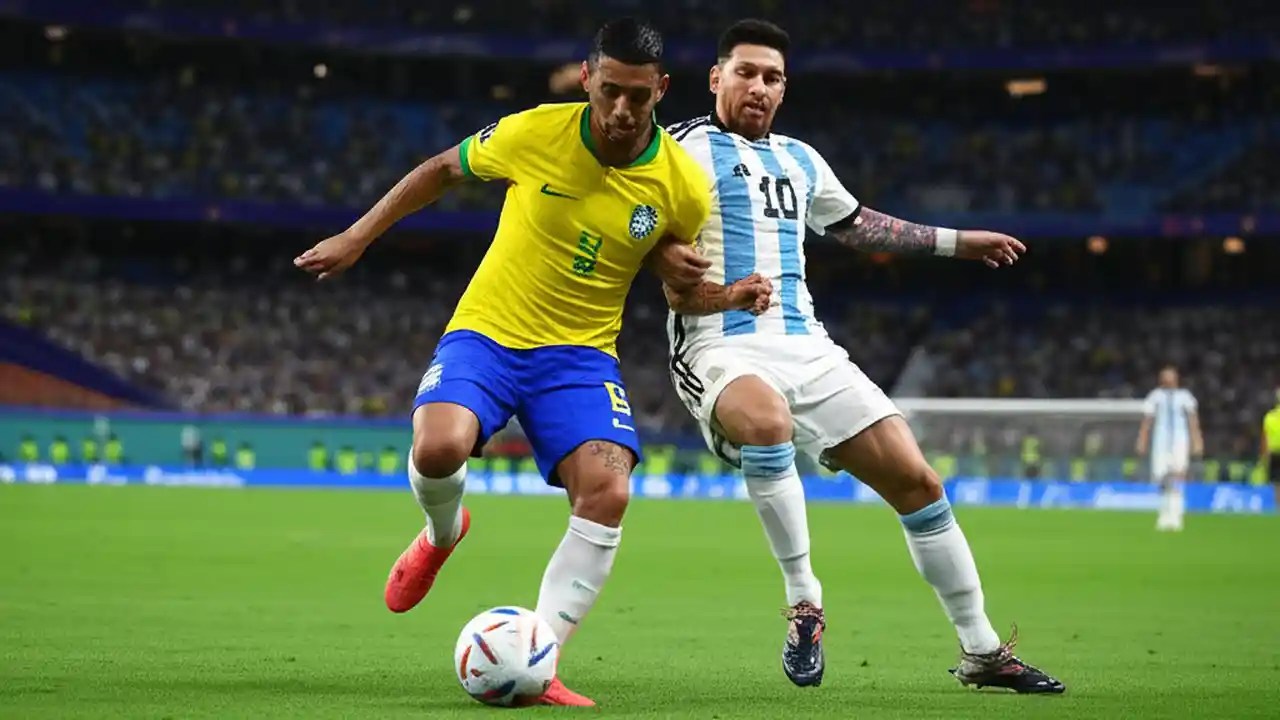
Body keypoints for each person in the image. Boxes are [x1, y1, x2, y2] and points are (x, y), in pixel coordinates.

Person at [294, 18, 771, 706]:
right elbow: (440, 170)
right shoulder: (535, 132)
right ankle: (442, 530)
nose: (622, 110)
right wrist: (357, 237)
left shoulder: (682, 187)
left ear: (661, 90)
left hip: (578, 357)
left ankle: (537, 661)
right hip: (489, 331)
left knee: (609, 490)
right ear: (587, 79)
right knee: (437, 448)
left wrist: (725, 292)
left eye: (639, 97)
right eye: (609, 91)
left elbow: (679, 291)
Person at [664, 19, 1063, 693]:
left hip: (809, 347)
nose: (759, 87)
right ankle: (805, 603)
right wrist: (697, 278)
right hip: (719, 346)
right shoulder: (678, 149)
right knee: (767, 425)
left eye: (773, 78)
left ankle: (983, 652)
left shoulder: (801, 158)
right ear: (715, 77)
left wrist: (958, 243)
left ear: (785, 89)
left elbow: (859, 226)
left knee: (919, 482)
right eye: (746, 72)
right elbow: (645, 245)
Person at [1135, 365, 1202, 532]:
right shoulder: (1155, 396)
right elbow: (1147, 421)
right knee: (1162, 478)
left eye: (1170, 376)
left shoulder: (1185, 396)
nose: (1167, 380)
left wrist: (1197, 440)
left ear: (1176, 378)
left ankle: (1176, 515)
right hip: (1161, 441)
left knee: (1178, 476)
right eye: (1164, 377)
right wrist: (1142, 440)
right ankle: (1164, 514)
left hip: (1180, 440)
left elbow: (1193, 421)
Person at [1261, 386, 1280, 507]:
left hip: (1275, 455)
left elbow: (1265, 440)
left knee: (1277, 485)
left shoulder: (1269, 417)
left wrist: (1265, 458)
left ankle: (1278, 509)